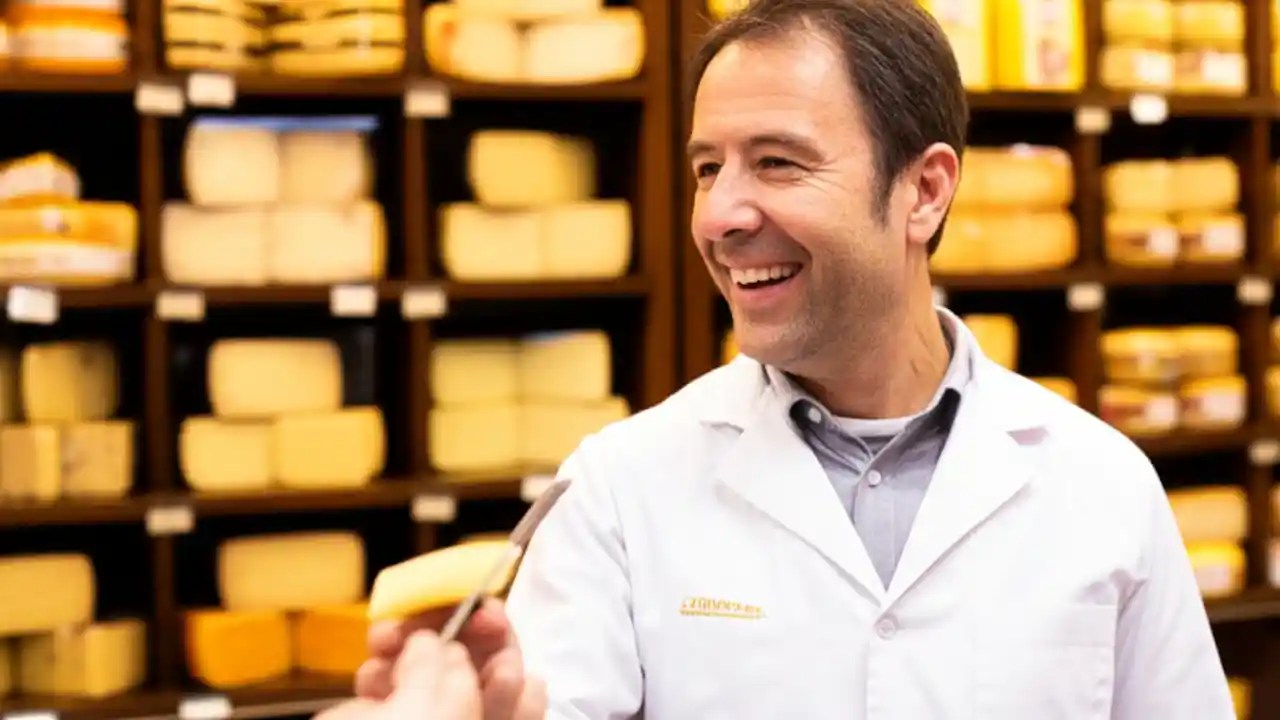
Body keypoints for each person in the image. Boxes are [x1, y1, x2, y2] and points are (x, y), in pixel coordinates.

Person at [340, 0, 1238, 717]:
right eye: (705, 168)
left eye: (776, 163)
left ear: (924, 190)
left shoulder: (1103, 483)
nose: (719, 216)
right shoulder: (617, 489)